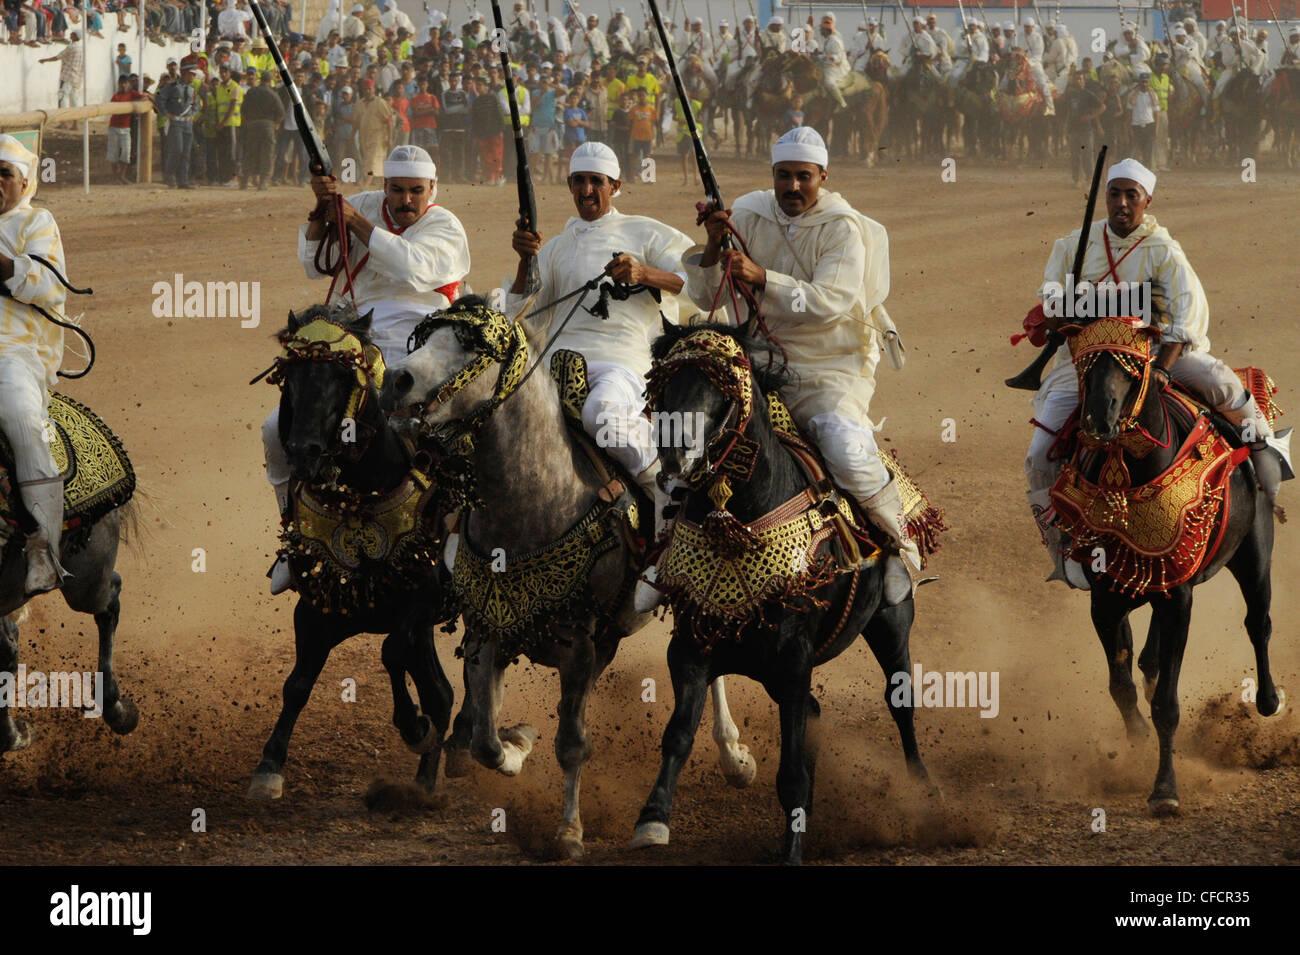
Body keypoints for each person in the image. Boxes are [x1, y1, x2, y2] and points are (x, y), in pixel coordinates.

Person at [1025, 158, 1291, 589]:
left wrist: (1163, 374)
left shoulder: (1164, 250)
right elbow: (1050, 304)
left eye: (1132, 195)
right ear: (1106, 198)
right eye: (1115, 194)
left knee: (1222, 382)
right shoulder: (1074, 245)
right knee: (1038, 453)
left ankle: (1264, 458)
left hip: (1152, 355)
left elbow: (1185, 322)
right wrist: (1061, 308)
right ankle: (1061, 543)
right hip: (1090, 358)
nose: (1122, 203)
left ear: (1148, 200)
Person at [683, 127, 918, 592]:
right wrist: (714, 245)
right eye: (784, 176)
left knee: (846, 450)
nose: (792, 187)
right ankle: (667, 554)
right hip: (756, 356)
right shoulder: (747, 212)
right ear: (773, 175)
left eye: (803, 177)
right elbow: (707, 293)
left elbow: (830, 301)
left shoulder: (841, 227)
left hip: (829, 365)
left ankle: (898, 546)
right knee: (692, 435)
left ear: (822, 176)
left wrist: (762, 276)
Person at [265, 144, 469, 594]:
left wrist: (354, 220)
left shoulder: (444, 225)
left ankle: (459, 535)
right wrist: (322, 208)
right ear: (384, 186)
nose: (406, 200)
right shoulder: (360, 205)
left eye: (416, 191)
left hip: (424, 337)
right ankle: (294, 535)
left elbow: (412, 267)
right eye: (397, 190)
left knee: (452, 428)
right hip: (355, 335)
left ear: (432, 189)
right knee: (276, 426)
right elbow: (310, 263)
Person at [505, 140, 694, 603]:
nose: (587, 190)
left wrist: (644, 274)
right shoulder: (555, 248)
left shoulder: (645, 231)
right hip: (554, 367)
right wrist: (525, 259)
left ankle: (672, 504)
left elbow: (697, 282)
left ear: (616, 185)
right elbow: (521, 312)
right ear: (569, 185)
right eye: (579, 181)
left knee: (603, 420)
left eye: (597, 182)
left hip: (621, 363)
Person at [0, 134, 70, 595]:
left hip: (15, 351)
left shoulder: (35, 220)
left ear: (24, 182)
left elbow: (46, 282)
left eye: (3, 174)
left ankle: (43, 547)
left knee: (22, 417)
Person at [158, 58, 198, 188]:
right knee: (177, 149)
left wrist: (194, 113)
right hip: (176, 122)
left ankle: (183, 180)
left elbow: (196, 104)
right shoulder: (172, 87)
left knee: (186, 153)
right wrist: (165, 113)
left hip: (187, 124)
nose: (194, 76)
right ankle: (169, 176)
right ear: (185, 73)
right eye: (192, 74)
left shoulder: (192, 89)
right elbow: (160, 98)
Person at [241, 69, 283, 190]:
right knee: (267, 153)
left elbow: (243, 110)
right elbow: (281, 112)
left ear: (260, 79)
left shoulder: (251, 92)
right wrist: (276, 124)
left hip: (253, 124)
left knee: (250, 153)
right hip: (268, 125)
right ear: (270, 81)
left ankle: (244, 181)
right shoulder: (273, 94)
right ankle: (263, 182)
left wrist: (248, 122)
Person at [1061, 69, 1104, 186]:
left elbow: (1101, 107)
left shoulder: (1088, 94)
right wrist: (1066, 130)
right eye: (1076, 79)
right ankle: (1076, 179)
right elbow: (1069, 112)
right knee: (1075, 155)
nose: (1078, 81)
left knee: (1087, 155)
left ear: (1084, 81)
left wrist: (1090, 117)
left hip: (1086, 130)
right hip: (1074, 129)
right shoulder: (1071, 95)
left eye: (1080, 79)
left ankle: (1089, 178)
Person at [470, 75, 504, 185]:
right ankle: (490, 178)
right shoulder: (476, 101)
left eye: (480, 85)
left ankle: (498, 177)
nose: (478, 87)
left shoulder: (493, 98)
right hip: (482, 134)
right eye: (477, 86)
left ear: (485, 86)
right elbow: (474, 119)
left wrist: (501, 129)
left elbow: (499, 114)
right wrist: (476, 133)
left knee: (496, 156)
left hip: (494, 132)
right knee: (486, 156)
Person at [38, 29, 82, 107]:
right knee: (74, 97)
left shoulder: (71, 47)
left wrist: (44, 60)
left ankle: (63, 115)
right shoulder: (80, 48)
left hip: (67, 75)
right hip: (76, 77)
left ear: (75, 36)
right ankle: (77, 116)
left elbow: (58, 57)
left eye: (72, 33)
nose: (70, 34)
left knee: (63, 95)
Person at [1128, 69, 1159, 168]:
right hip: (1136, 126)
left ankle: (1147, 173)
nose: (1144, 84)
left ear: (1149, 82)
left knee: (1148, 153)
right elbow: (1129, 111)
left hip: (1149, 125)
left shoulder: (1153, 94)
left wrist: (1156, 129)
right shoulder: (1133, 94)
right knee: (1133, 152)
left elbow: (1156, 112)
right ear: (1139, 82)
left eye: (1146, 81)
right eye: (1142, 81)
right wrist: (1129, 129)